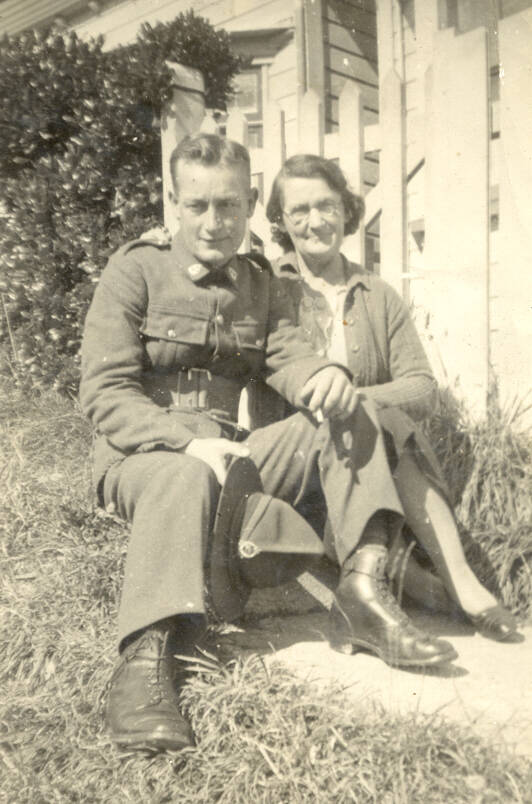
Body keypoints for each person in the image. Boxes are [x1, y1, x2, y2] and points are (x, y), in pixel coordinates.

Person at [80, 134, 457, 754]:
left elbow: (289, 357)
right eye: (197, 206)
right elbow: (104, 393)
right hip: (144, 456)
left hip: (234, 456)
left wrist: (324, 377)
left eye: (228, 205)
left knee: (346, 408)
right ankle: (143, 665)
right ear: (174, 202)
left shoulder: (259, 284)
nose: (213, 222)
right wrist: (184, 443)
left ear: (252, 202)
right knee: (186, 476)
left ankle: (363, 591)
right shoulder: (135, 270)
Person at [263, 153, 517, 652]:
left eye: (327, 205)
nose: (316, 221)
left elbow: (422, 387)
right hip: (301, 473)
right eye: (300, 211)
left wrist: (355, 398)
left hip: (369, 467)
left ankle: (425, 588)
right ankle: (459, 587)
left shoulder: (377, 295)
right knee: (373, 418)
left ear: (346, 209)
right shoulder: (269, 290)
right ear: (282, 221)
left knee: (382, 415)